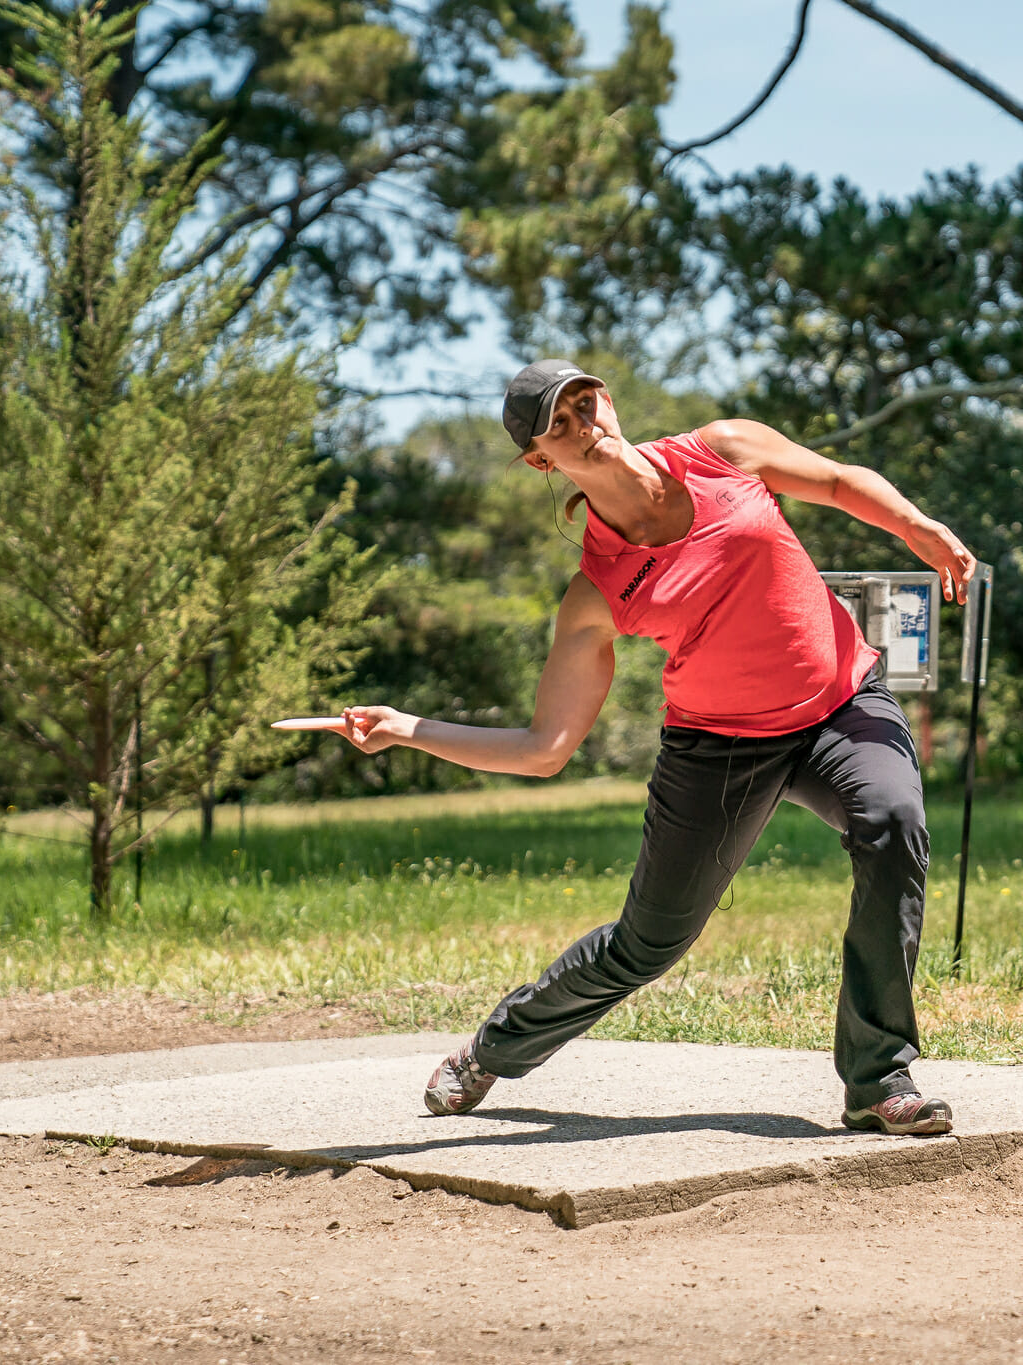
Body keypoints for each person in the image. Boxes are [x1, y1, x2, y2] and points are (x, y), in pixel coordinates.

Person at [327, 360, 975, 1135]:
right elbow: (544, 748)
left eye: (585, 400)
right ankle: (494, 1049)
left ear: (606, 398)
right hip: (719, 746)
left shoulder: (724, 449)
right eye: (558, 425)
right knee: (647, 943)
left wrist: (914, 525)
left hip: (841, 701)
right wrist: (407, 728)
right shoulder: (595, 590)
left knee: (894, 819)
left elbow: (835, 480)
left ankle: (876, 1078)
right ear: (542, 460)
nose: (582, 422)